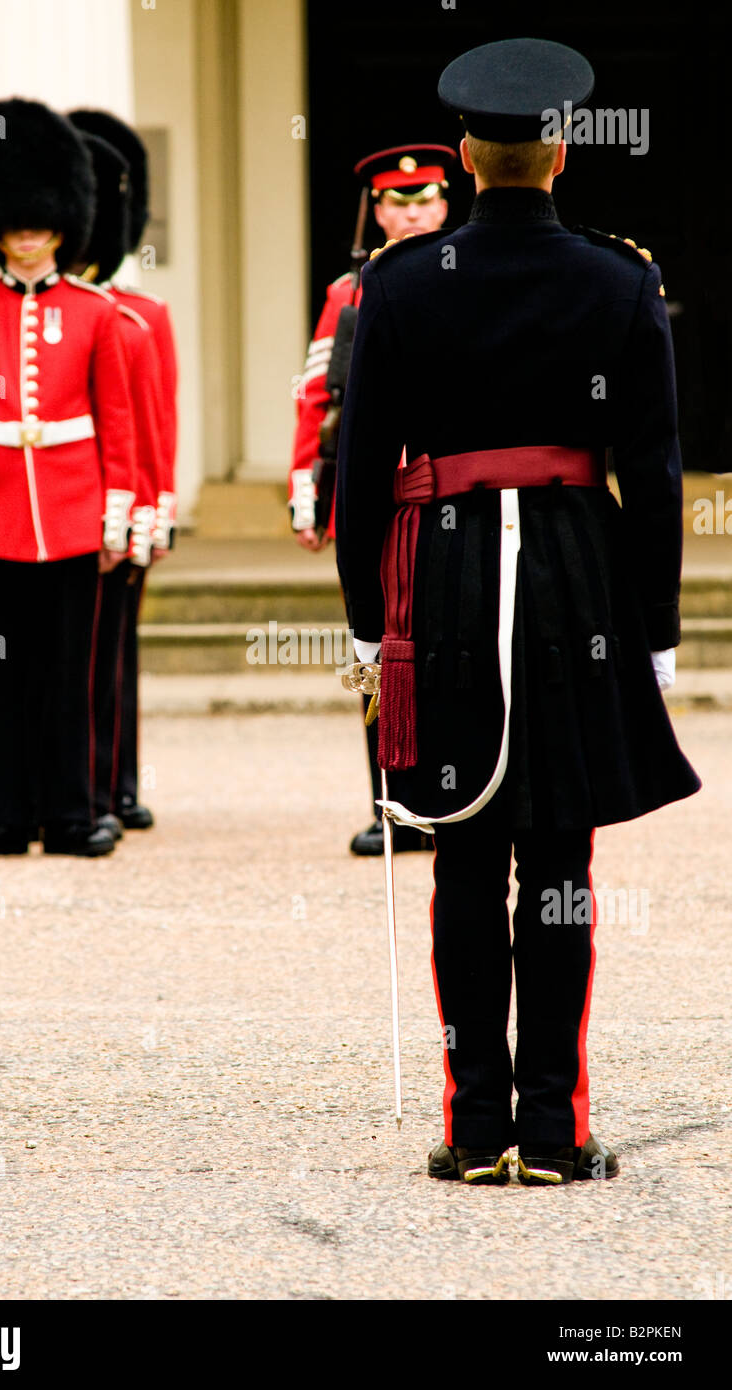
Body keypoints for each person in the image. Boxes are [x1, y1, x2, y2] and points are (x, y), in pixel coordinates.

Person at [335, 39, 701, 1185]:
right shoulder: (616, 278)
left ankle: (473, 1125)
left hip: (437, 579)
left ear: (461, 159)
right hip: (571, 575)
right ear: (556, 156)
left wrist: (360, 620)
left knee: (459, 861)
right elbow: (651, 470)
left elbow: (357, 472)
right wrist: (652, 627)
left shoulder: (395, 286)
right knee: (556, 866)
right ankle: (551, 1127)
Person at [0, 98, 136, 858]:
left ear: (62, 223)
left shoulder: (95, 314)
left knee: (71, 679)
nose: (29, 236)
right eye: (16, 224)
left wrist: (116, 522)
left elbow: (119, 425)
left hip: (74, 522)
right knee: (3, 677)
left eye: (39, 222)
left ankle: (70, 816)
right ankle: (5, 815)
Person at [289, 146, 455, 856]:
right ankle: (389, 799)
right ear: (377, 211)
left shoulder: (464, 273)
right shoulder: (346, 292)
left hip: (447, 487)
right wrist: (309, 492)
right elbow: (318, 399)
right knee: (379, 646)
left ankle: (451, 793)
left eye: (424, 200)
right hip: (377, 492)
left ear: (444, 204)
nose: (412, 212)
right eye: (398, 203)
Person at [68, 108, 179, 831]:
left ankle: (113, 783)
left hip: (121, 509)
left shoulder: (140, 316)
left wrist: (152, 509)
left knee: (112, 655)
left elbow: (154, 421)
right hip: (61, 507)